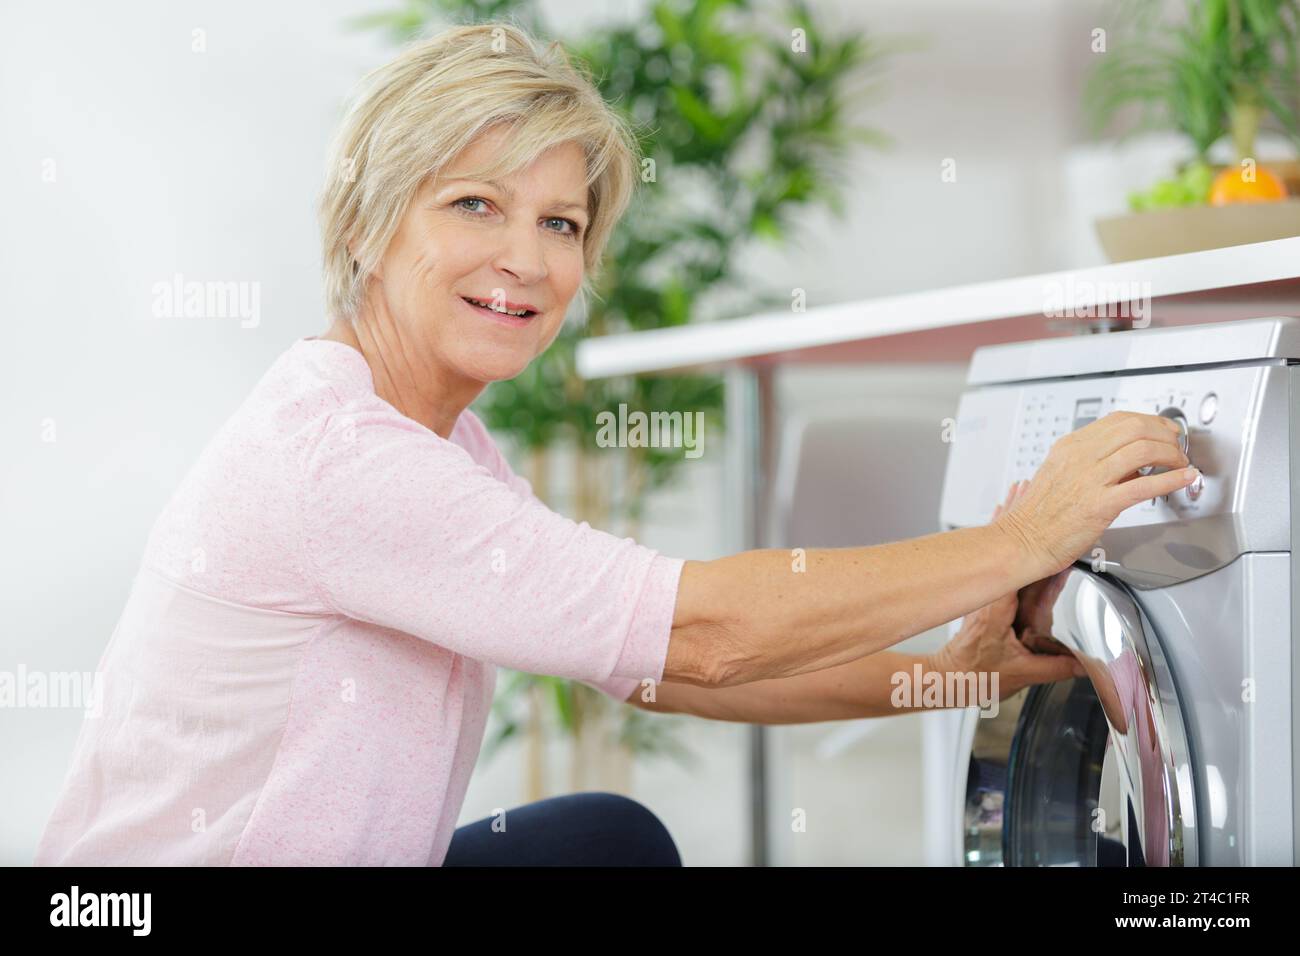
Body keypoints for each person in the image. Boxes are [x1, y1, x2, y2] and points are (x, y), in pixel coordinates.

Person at [33, 22, 1197, 867]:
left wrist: (962, 669)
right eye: (473, 205)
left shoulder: (438, 443)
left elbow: (665, 665)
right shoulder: (341, 461)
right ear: (368, 223)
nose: (528, 261)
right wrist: (1017, 539)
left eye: (561, 224)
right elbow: (710, 634)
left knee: (601, 839)